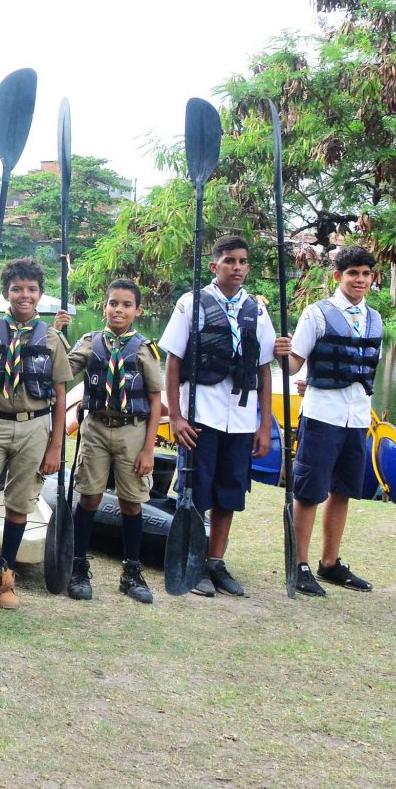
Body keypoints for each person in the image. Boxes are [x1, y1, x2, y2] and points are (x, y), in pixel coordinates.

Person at [159, 234, 289, 597]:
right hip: (202, 414)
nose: (237, 267)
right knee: (196, 490)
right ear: (214, 265)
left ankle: (216, 562)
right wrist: (176, 417)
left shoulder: (256, 309)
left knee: (229, 492)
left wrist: (265, 424)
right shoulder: (191, 303)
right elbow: (173, 362)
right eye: (230, 261)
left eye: (243, 261)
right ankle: (192, 561)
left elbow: (264, 369)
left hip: (242, 417)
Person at [0, 258, 70, 609]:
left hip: (35, 425)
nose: (24, 295)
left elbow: (61, 396)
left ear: (40, 294)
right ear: (6, 294)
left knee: (19, 503)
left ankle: (6, 581)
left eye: (31, 289)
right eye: (17, 289)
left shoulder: (52, 338)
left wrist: (55, 446)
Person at [282, 246, 379, 597]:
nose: (360, 280)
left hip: (357, 416)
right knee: (309, 492)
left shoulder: (375, 318)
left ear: (372, 278)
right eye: (353, 273)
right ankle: (299, 565)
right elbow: (294, 364)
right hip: (323, 414)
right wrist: (282, 356)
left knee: (343, 490)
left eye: (365, 274)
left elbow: (367, 366)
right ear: (339, 276)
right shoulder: (317, 314)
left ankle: (330, 562)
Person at [62, 279, 163, 603]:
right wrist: (59, 334)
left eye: (126, 305)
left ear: (138, 311)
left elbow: (155, 400)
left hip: (132, 430)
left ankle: (131, 572)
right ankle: (77, 566)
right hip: (96, 428)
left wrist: (148, 449)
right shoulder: (90, 343)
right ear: (104, 307)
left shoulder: (145, 349)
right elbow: (62, 371)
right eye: (113, 303)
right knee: (89, 497)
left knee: (131, 502)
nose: (119, 310)